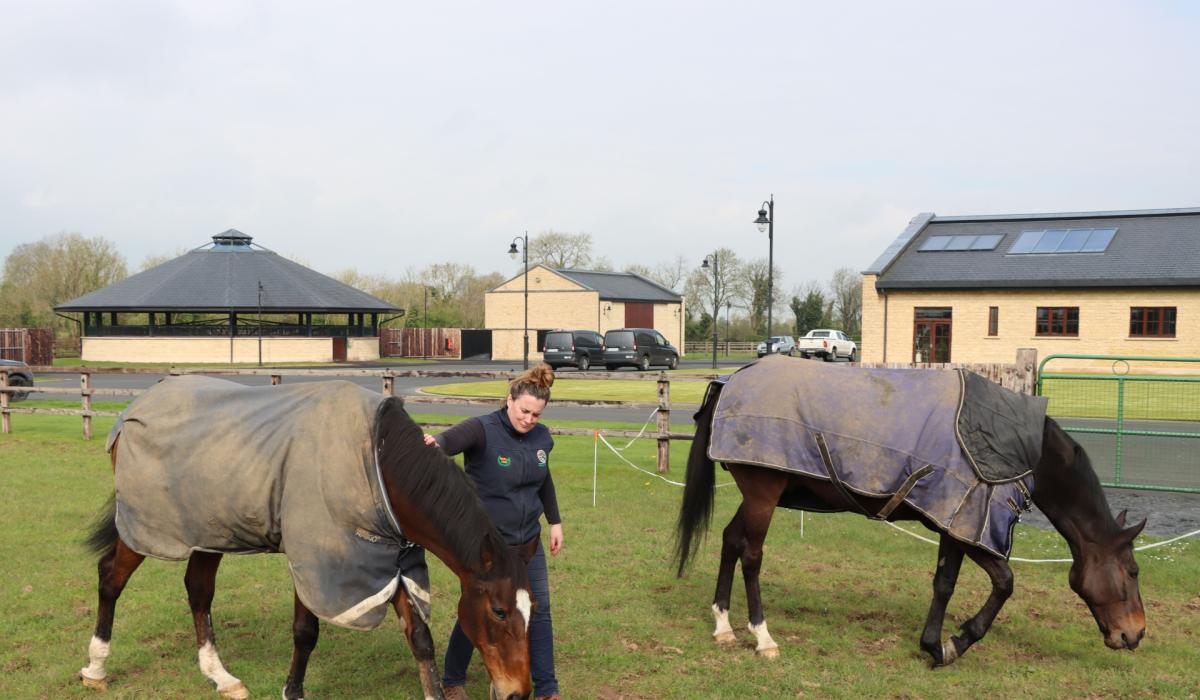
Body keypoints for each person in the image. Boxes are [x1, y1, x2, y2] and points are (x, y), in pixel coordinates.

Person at [424, 363, 564, 700]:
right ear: (509, 400)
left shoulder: (542, 438)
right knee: (483, 610)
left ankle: (547, 689)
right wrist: (433, 442)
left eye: (536, 414)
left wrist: (554, 521)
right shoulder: (482, 429)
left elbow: (542, 480)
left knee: (537, 610)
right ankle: (453, 679)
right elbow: (446, 441)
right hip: (488, 550)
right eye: (524, 411)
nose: (529, 419)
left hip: (528, 545)